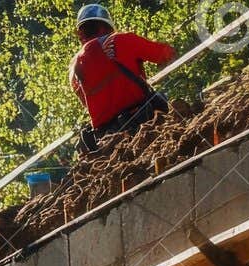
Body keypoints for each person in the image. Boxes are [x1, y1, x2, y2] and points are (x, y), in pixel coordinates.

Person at [69, 5, 175, 156]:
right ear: (105, 26)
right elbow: (165, 54)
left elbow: (87, 104)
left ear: (81, 33)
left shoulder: (74, 69)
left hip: (107, 142)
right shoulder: (121, 40)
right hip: (144, 123)